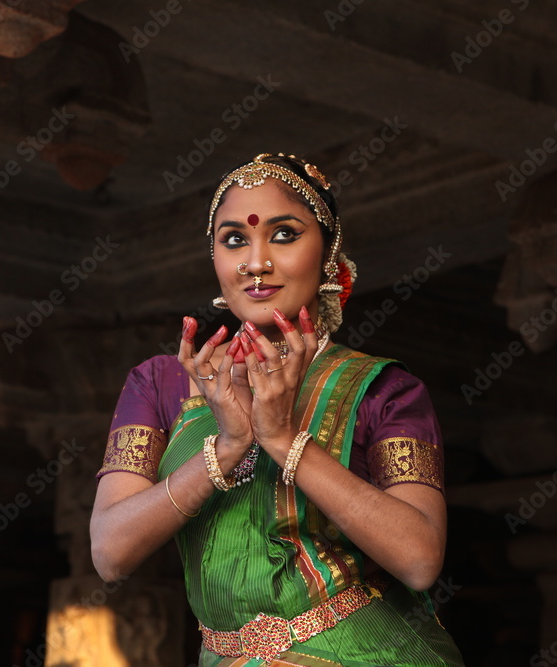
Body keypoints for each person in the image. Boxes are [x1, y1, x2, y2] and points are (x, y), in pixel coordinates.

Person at [90, 153, 464, 666]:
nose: (255, 262)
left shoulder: (382, 389)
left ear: (328, 252)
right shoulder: (163, 383)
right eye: (234, 239)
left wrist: (284, 440)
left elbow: (420, 560)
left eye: (284, 234)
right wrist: (225, 450)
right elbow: (110, 553)